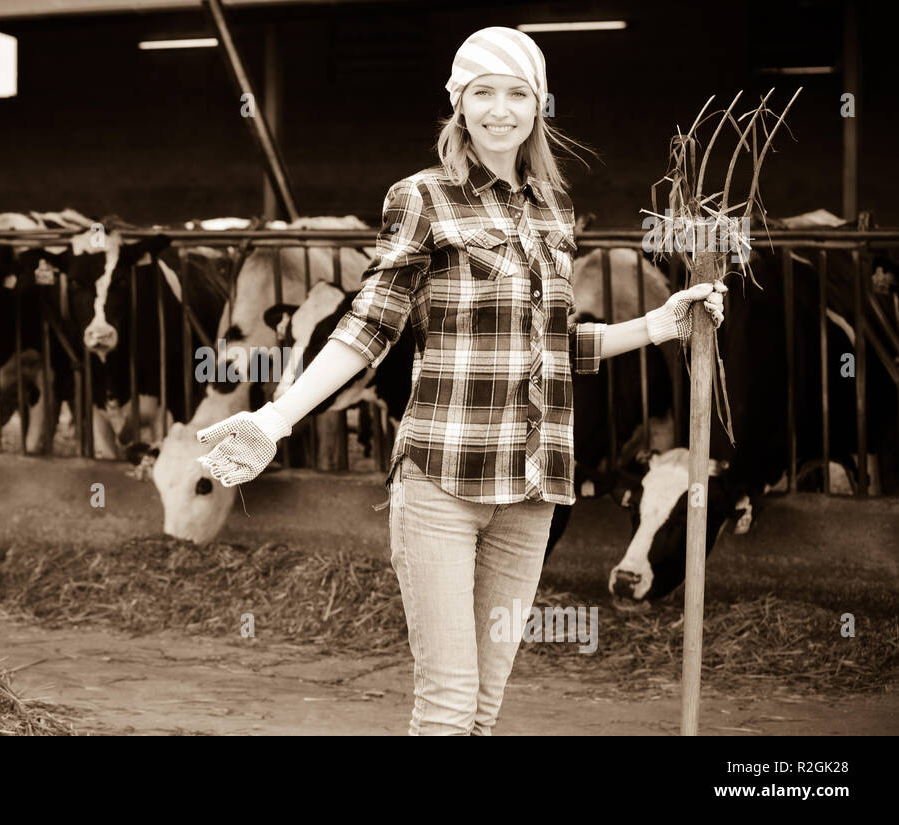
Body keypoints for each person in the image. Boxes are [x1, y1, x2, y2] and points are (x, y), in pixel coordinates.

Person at [194, 26, 726, 735]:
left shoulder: (552, 212)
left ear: (538, 106)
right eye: (483, 92)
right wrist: (276, 418)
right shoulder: (423, 198)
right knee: (446, 706)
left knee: (483, 708)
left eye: (516, 93)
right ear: (458, 102)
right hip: (442, 482)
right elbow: (369, 324)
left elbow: (554, 344)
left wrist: (660, 323)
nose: (500, 109)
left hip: (532, 491)